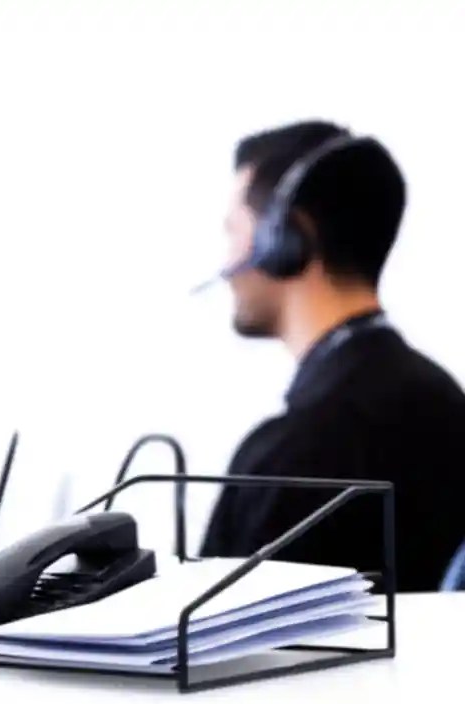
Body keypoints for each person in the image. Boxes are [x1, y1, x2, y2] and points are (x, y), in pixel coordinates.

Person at [199, 120, 465, 591]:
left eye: (233, 232)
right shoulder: (446, 399)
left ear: (286, 240)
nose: (224, 264)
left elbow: (205, 647)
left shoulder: (291, 455)